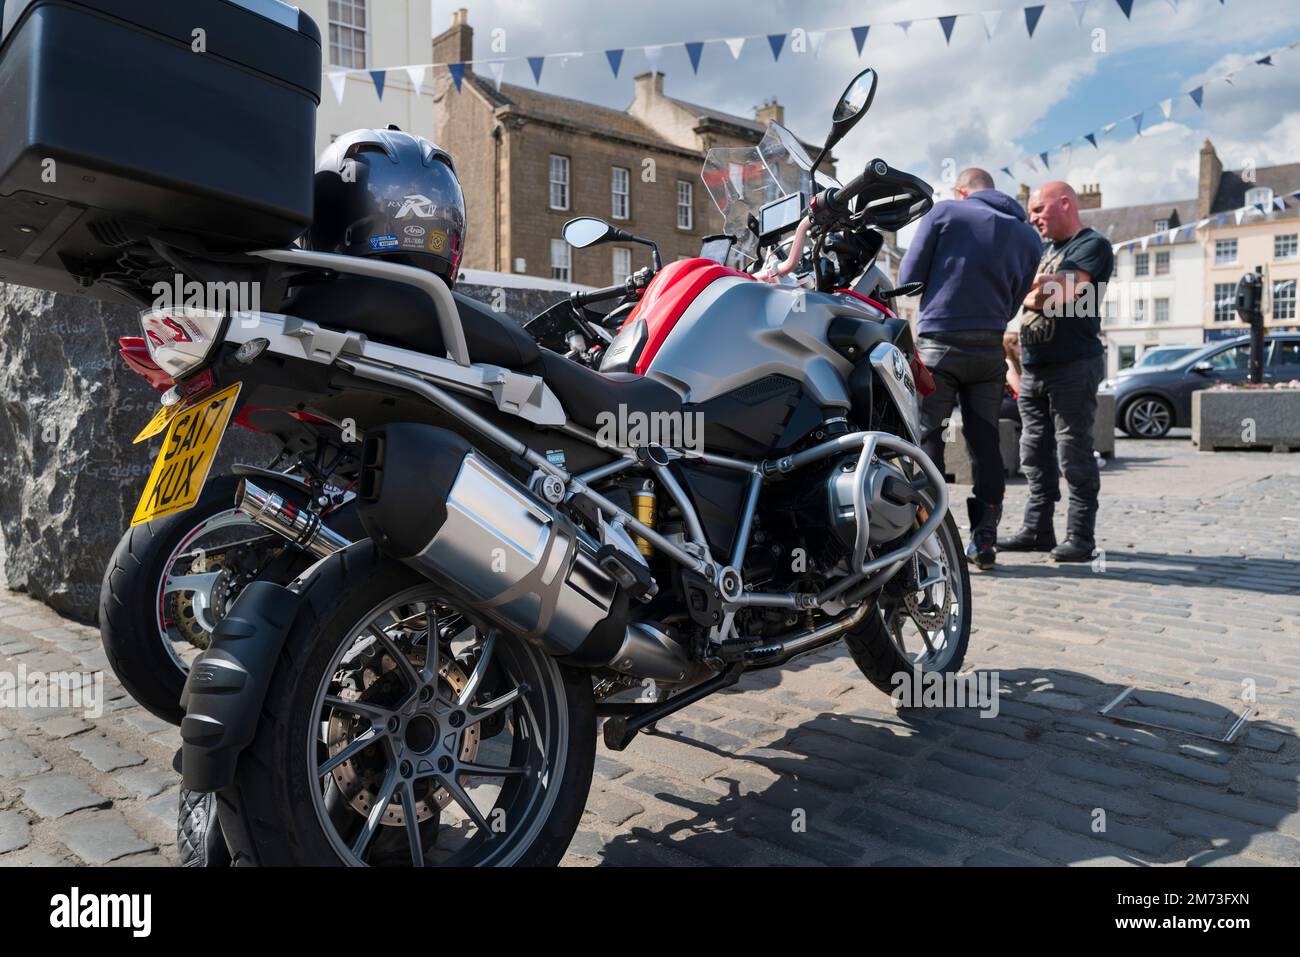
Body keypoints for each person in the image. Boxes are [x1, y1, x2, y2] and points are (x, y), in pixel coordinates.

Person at [898, 167, 1041, 569]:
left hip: (938, 347)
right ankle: (985, 539)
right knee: (986, 442)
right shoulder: (1029, 236)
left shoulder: (945, 214)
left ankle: (932, 539)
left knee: (927, 436)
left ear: (963, 191)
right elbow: (1015, 304)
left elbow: (909, 280)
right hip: (988, 350)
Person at [999, 181, 1113, 562]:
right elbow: (1023, 289)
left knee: (1073, 454)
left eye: (1038, 210)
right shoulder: (1045, 250)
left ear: (1065, 203)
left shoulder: (1091, 246)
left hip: (1074, 364)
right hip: (1034, 366)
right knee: (1033, 454)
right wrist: (1036, 286)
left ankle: (1081, 539)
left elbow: (1057, 298)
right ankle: (1038, 530)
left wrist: (1033, 290)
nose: (1032, 219)